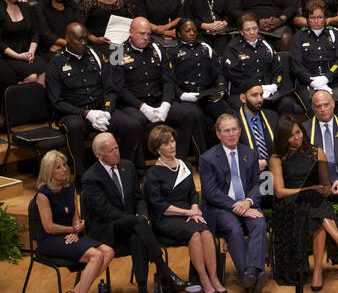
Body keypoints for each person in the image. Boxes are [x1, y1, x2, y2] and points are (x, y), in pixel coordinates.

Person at [82, 132, 186, 293]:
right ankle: (164, 271)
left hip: (130, 226)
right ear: (99, 155)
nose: (116, 152)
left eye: (116, 147)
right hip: (106, 230)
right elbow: (105, 212)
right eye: (111, 150)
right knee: (138, 227)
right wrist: (136, 220)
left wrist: (143, 216)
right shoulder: (91, 177)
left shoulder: (127, 167)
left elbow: (139, 198)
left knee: (138, 236)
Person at [269, 115, 338, 290]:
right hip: (289, 202)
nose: (297, 137)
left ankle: (317, 270)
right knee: (316, 208)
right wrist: (305, 190)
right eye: (292, 135)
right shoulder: (277, 158)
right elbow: (279, 191)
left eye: (299, 132)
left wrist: (327, 188)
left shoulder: (317, 152)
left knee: (316, 209)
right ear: (283, 138)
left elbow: (325, 185)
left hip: (312, 200)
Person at [44, 22, 143, 175]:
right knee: (74, 127)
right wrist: (86, 114)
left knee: (133, 125)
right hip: (74, 113)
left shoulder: (96, 56)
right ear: (67, 39)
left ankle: (123, 168)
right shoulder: (55, 64)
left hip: (100, 110)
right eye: (78, 39)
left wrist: (107, 111)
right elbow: (56, 102)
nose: (83, 43)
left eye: (85, 38)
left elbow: (110, 89)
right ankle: (81, 175)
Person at [145, 124, 226, 293]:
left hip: (189, 214)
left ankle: (215, 278)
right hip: (166, 218)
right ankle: (203, 279)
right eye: (166, 144)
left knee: (206, 232)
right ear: (157, 148)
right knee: (195, 234)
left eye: (172, 141)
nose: (172, 145)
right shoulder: (153, 173)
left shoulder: (184, 165)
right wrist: (188, 213)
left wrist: (195, 208)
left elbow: (192, 193)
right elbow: (158, 205)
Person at [35, 149, 114, 293]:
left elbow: (75, 217)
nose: (64, 169)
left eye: (64, 165)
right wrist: (71, 230)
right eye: (58, 167)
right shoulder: (43, 194)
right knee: (96, 255)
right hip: (50, 240)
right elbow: (49, 227)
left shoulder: (70, 187)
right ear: (49, 172)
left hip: (69, 234)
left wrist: (78, 226)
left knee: (108, 252)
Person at [198, 114, 269, 293]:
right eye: (226, 131)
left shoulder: (250, 153)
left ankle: (251, 273)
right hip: (221, 207)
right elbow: (211, 193)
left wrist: (248, 202)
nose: (231, 134)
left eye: (234, 130)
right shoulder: (208, 158)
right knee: (233, 229)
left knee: (259, 222)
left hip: (246, 203)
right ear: (219, 134)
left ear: (239, 131)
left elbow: (257, 184)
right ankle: (252, 276)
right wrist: (237, 206)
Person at [111, 17, 197, 165]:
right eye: (141, 34)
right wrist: (142, 107)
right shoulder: (116, 51)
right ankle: (137, 167)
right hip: (132, 104)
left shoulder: (157, 48)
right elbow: (118, 88)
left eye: (148, 34)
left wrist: (165, 104)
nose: (145, 38)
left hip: (158, 100)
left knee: (189, 113)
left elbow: (168, 81)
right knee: (134, 124)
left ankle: (179, 161)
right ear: (130, 32)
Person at [167, 17, 231, 152]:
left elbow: (218, 72)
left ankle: (235, 151)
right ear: (178, 33)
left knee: (228, 115)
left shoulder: (205, 47)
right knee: (196, 116)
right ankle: (203, 158)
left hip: (208, 93)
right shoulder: (171, 51)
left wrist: (220, 90)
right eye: (187, 31)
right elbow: (168, 79)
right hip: (187, 97)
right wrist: (181, 95)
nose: (192, 33)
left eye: (194, 31)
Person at [289, 5, 338, 113]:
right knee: (316, 107)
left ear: (326, 18)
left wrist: (327, 77)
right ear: (307, 19)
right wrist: (311, 80)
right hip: (308, 82)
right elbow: (296, 64)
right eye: (312, 18)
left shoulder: (334, 34)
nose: (316, 21)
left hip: (334, 80)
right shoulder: (299, 37)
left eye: (320, 17)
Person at [224, 13, 286, 107]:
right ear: (241, 31)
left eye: (255, 28)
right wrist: (258, 89)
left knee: (287, 103)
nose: (252, 32)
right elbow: (235, 76)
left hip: (267, 91)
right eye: (247, 30)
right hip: (243, 93)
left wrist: (275, 85)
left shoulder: (266, 45)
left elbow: (278, 70)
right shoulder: (233, 48)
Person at [0, 0, 49, 90]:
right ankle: (24, 107)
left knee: (45, 74)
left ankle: (39, 107)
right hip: (10, 56)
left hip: (28, 53)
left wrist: (31, 52)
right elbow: (0, 43)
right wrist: (18, 56)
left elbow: (35, 33)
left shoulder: (25, 6)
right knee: (31, 76)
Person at [234, 79, 279, 170]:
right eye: (254, 95)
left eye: (261, 95)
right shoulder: (234, 123)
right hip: (247, 171)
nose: (260, 99)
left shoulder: (272, 116)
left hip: (275, 168)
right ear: (243, 98)